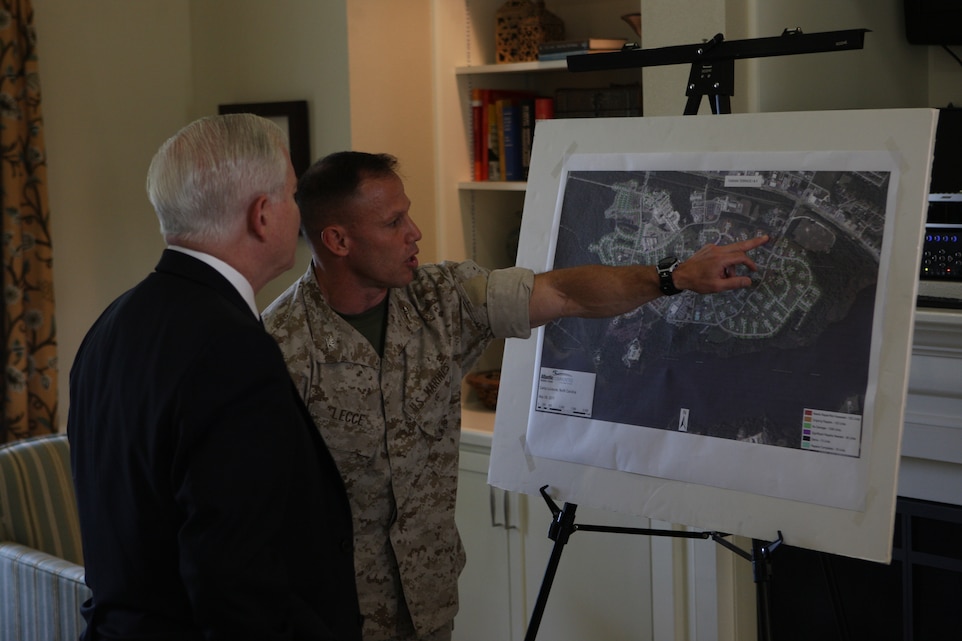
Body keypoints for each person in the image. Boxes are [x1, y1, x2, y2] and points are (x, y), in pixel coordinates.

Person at [263, 151, 769, 641]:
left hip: (428, 603)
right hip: (328, 614)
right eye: (394, 222)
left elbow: (564, 293)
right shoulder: (276, 347)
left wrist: (673, 277)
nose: (414, 233)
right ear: (338, 240)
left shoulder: (442, 298)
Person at [67, 115, 362, 641]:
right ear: (263, 214)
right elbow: (235, 581)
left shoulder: (112, 322)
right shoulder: (231, 350)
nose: (300, 214)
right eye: (294, 195)